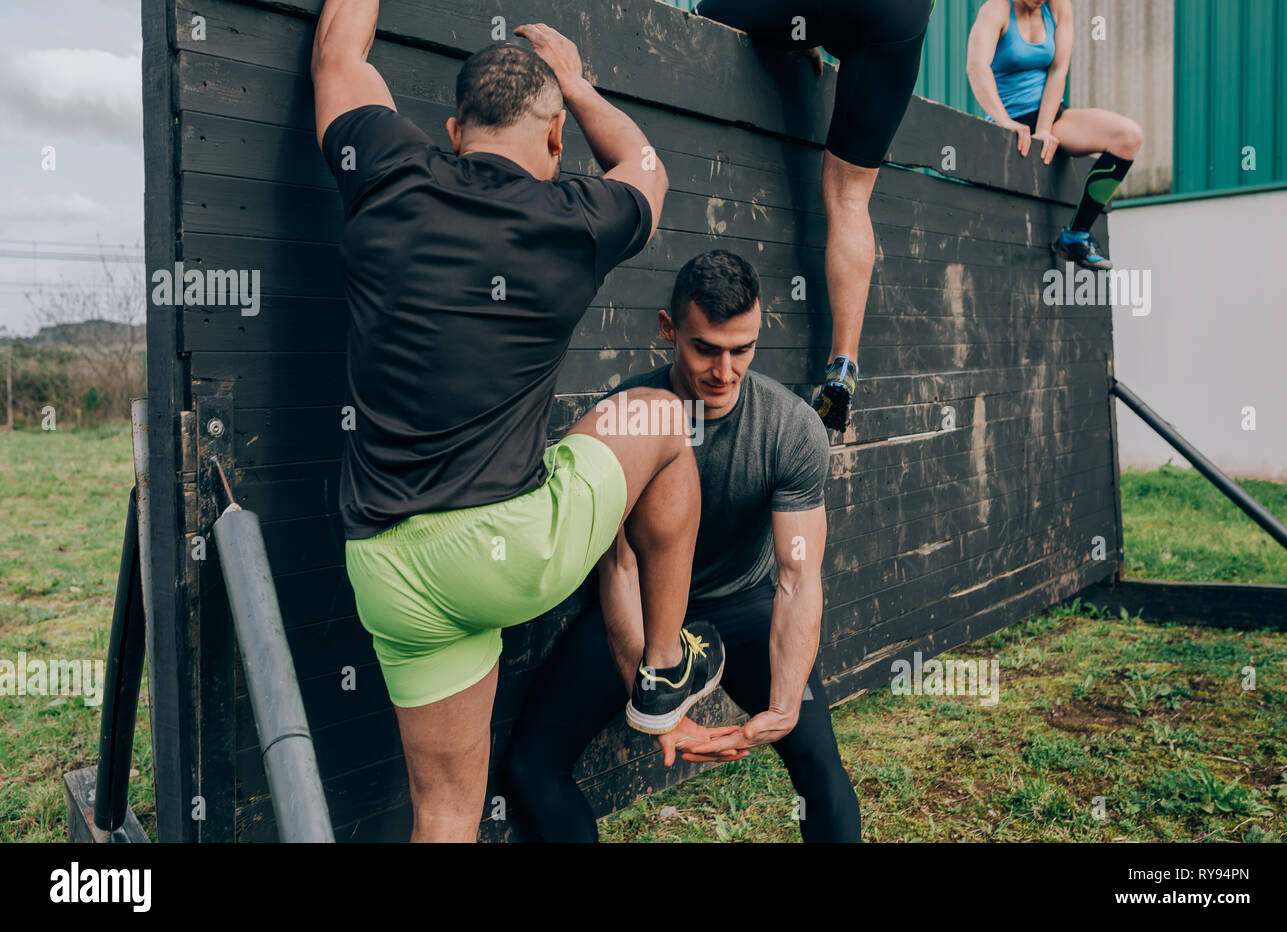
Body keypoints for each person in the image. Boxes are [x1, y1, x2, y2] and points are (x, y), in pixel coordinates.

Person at [311, 0, 723, 842]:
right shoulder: (578, 218)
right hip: (506, 553)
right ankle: (662, 667)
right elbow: (647, 166)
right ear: (555, 141)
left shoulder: (388, 169)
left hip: (387, 567)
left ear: (455, 129)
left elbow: (335, 53)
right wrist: (576, 84)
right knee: (664, 418)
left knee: (445, 815)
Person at [505, 250, 863, 843]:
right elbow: (618, 569)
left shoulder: (792, 426)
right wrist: (655, 701)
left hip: (742, 602)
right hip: (645, 607)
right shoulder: (628, 418)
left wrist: (788, 697)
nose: (725, 371)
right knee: (529, 767)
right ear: (669, 331)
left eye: (741, 349)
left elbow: (799, 577)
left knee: (819, 765)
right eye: (705, 348)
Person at [692, 0, 934, 432]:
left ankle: (797, 33)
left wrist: (797, 30)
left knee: (709, 8)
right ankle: (843, 364)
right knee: (851, 197)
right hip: (904, 19)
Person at [966, 0, 1143, 270]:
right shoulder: (997, 9)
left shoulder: (1058, 7)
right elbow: (977, 67)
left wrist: (1045, 128)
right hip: (1008, 119)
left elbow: (1058, 70)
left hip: (1049, 117)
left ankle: (1075, 235)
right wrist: (1004, 121)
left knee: (1128, 136)